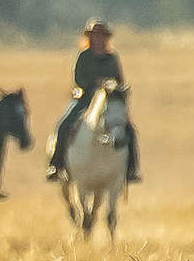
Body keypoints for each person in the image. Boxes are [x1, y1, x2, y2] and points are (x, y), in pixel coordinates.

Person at [46, 18, 141, 183]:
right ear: (89, 38)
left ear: (106, 38)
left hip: (108, 101)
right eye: (95, 36)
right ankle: (56, 165)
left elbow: (119, 79)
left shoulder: (112, 58)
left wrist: (114, 87)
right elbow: (78, 79)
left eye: (102, 36)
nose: (98, 39)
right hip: (86, 98)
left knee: (129, 130)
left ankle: (131, 170)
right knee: (64, 124)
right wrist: (96, 84)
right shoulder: (83, 56)